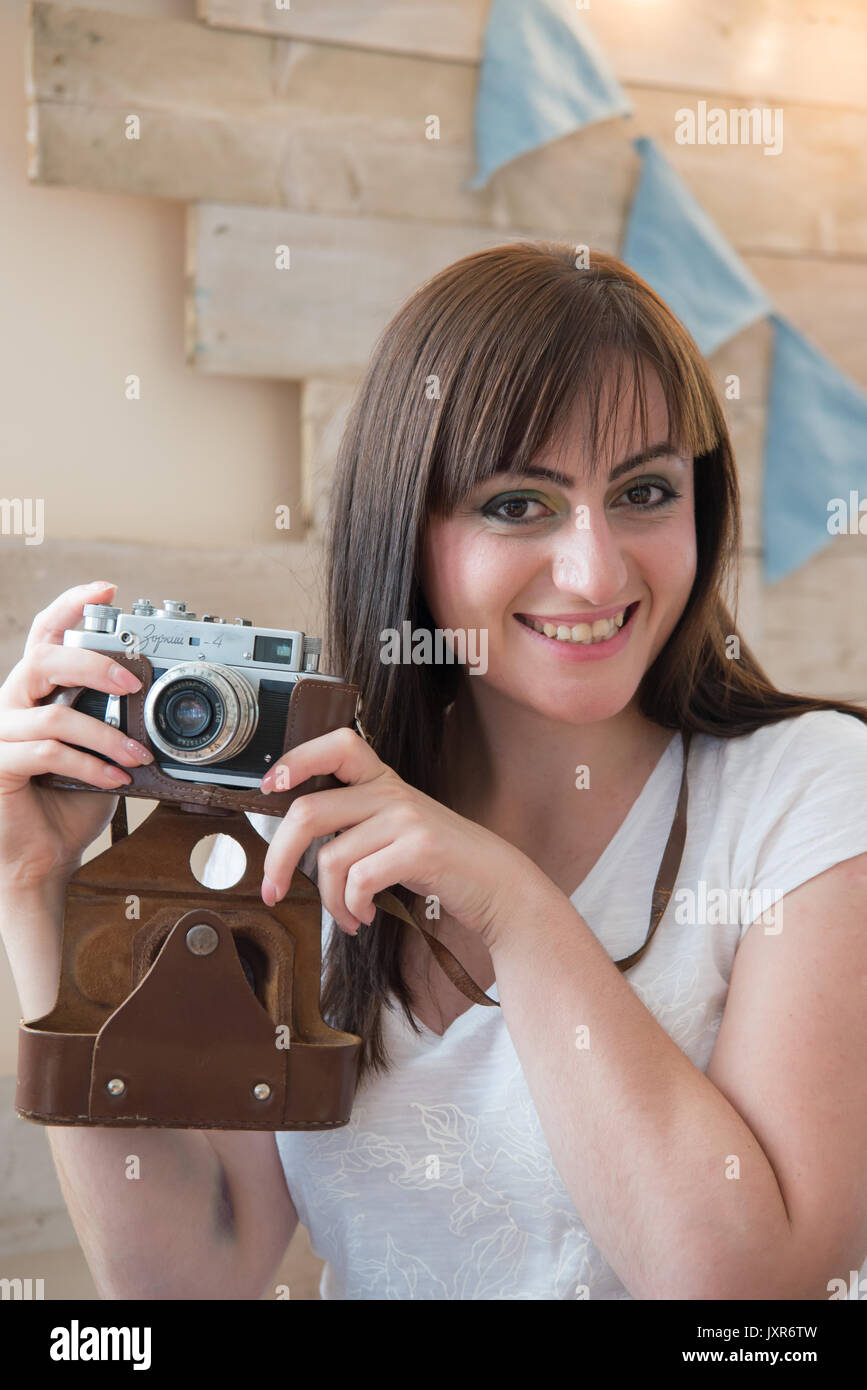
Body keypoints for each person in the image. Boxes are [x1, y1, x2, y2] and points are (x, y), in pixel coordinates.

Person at [1, 242, 866, 1301]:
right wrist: (35, 891)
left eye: (645, 490)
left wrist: (513, 906)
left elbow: (746, 1296)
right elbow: (189, 1275)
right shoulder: (304, 827)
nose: (595, 569)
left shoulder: (814, 796)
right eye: (518, 504)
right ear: (407, 529)